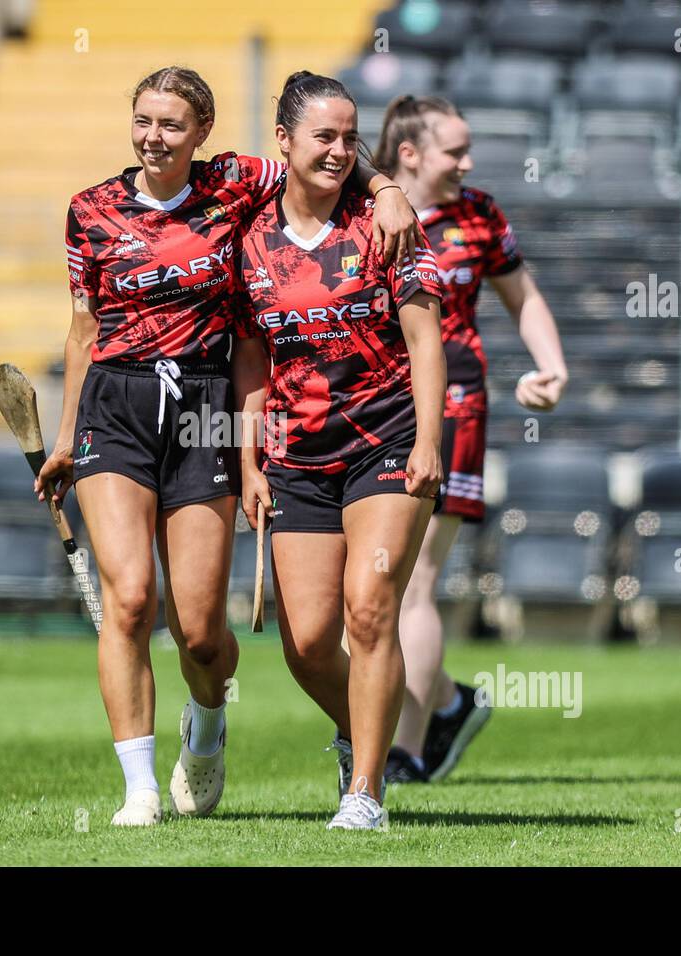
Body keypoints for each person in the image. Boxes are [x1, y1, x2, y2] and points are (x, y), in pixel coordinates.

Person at [36, 66, 426, 826]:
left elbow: (334, 158)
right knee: (128, 599)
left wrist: (386, 190)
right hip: (114, 408)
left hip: (205, 411)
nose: (154, 136)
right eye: (144, 120)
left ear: (202, 132)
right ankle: (140, 789)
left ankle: (208, 721)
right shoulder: (89, 212)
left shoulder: (236, 182)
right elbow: (83, 330)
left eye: (172, 124)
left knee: (204, 632)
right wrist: (63, 436)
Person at [236, 71, 447, 830]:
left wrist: (429, 441)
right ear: (284, 141)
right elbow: (253, 358)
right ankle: (360, 730)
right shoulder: (250, 239)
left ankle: (366, 793)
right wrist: (249, 459)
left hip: (387, 442)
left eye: (349, 138)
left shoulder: (386, 223)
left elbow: (426, 341)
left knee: (370, 608)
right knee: (307, 642)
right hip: (297, 458)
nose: (338, 151)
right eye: (323, 136)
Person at [372, 95, 568, 784]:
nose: (468, 162)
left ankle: (407, 752)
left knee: (413, 583)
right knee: (364, 591)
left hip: (453, 402)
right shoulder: (360, 210)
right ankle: (451, 702)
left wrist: (551, 364)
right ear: (409, 154)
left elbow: (524, 296)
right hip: (364, 406)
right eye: (455, 150)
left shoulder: (479, 214)